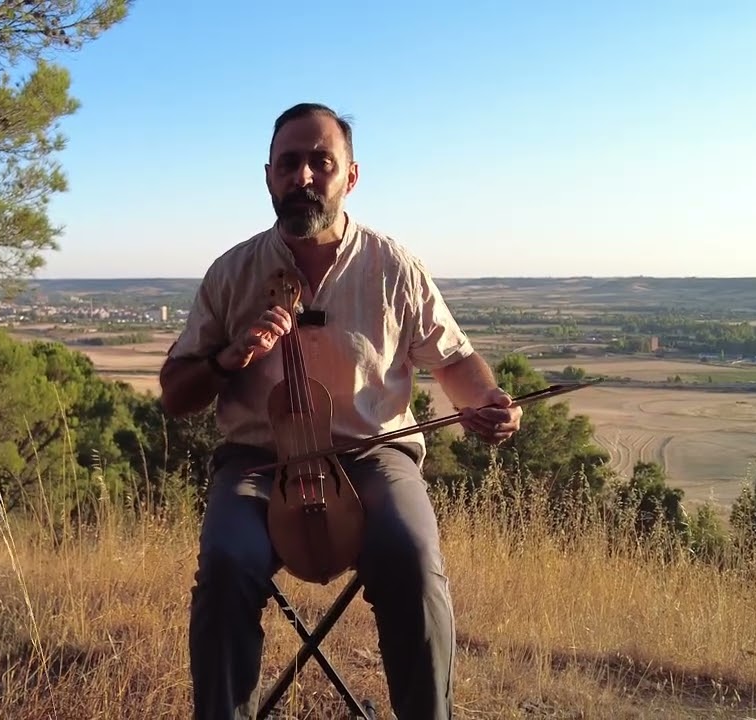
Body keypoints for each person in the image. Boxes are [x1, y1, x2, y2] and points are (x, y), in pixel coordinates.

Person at [158, 102, 522, 720]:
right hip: (258, 461)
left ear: (350, 176)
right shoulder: (232, 272)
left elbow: (456, 361)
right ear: (269, 175)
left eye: (320, 161)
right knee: (224, 564)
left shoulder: (393, 266)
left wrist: (484, 402)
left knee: (411, 557)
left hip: (371, 454)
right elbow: (175, 394)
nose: (303, 176)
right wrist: (227, 359)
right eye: (289, 163)